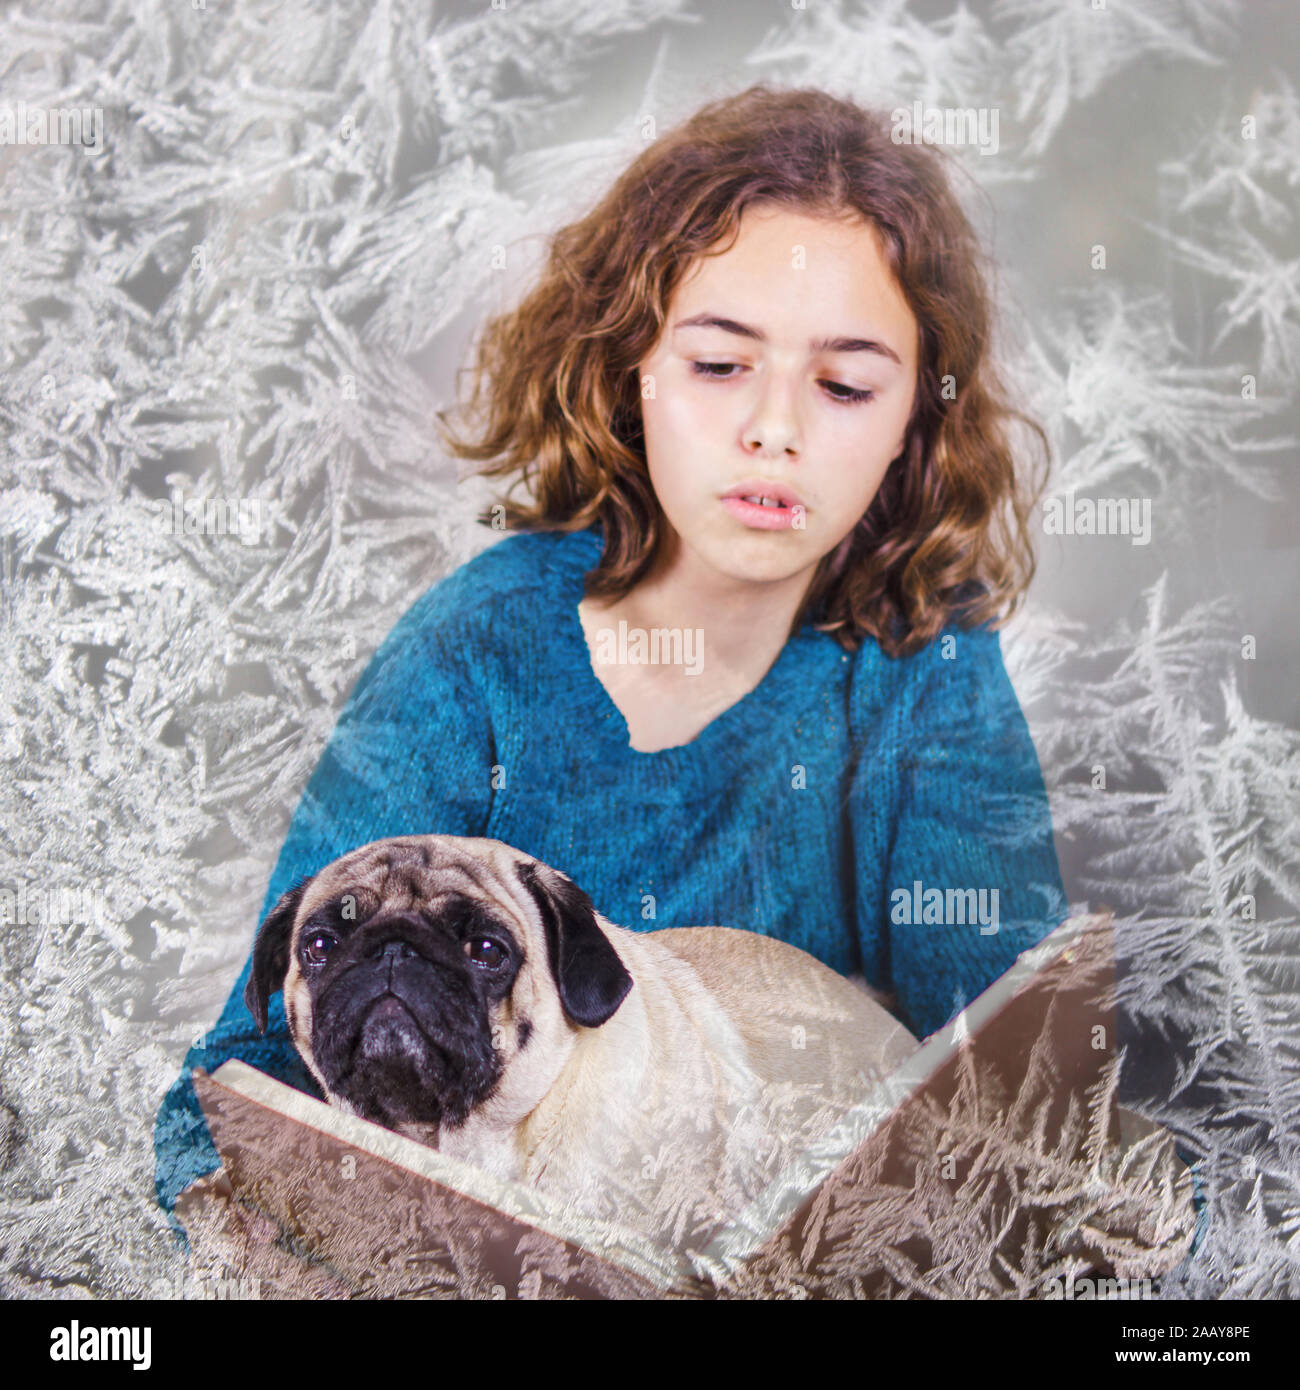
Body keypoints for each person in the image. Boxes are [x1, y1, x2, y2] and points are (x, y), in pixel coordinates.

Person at [155, 83, 1075, 1261]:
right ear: (630, 366)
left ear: (913, 419)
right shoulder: (477, 641)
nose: (774, 428)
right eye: (717, 365)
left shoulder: (917, 652)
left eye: (844, 385)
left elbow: (1008, 1062)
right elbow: (245, 1074)